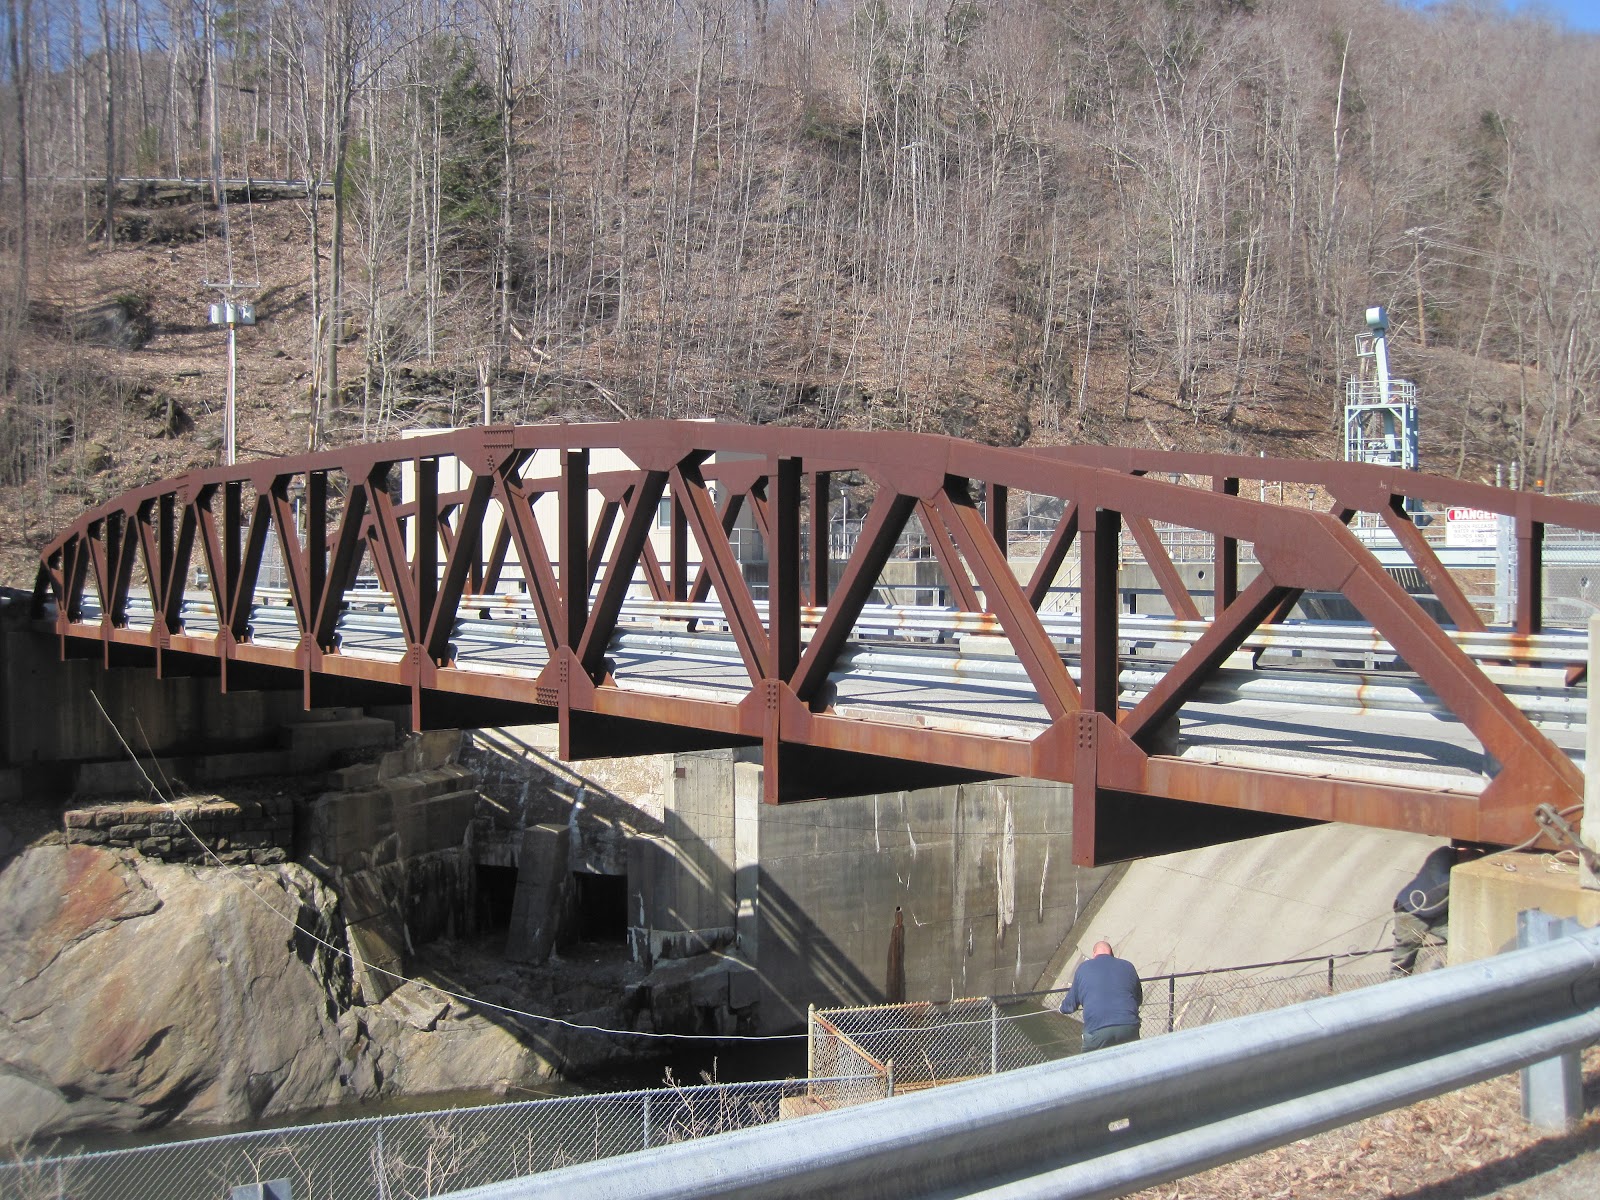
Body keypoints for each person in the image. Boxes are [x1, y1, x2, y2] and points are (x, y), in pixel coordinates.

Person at [1059, 941, 1143, 1051]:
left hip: (1097, 1030)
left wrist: (1062, 1008)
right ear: (1112, 953)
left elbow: (1070, 1005)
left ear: (1094, 954)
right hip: (1128, 1026)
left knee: (1089, 1064)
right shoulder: (1128, 966)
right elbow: (1138, 999)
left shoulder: (1083, 968)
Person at [1391, 845, 1455, 976]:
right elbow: (1443, 881)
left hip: (1438, 916)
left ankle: (1438, 974)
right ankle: (1395, 990)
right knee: (1403, 961)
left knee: (1458, 940)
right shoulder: (1441, 855)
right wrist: (1466, 871)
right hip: (1411, 914)